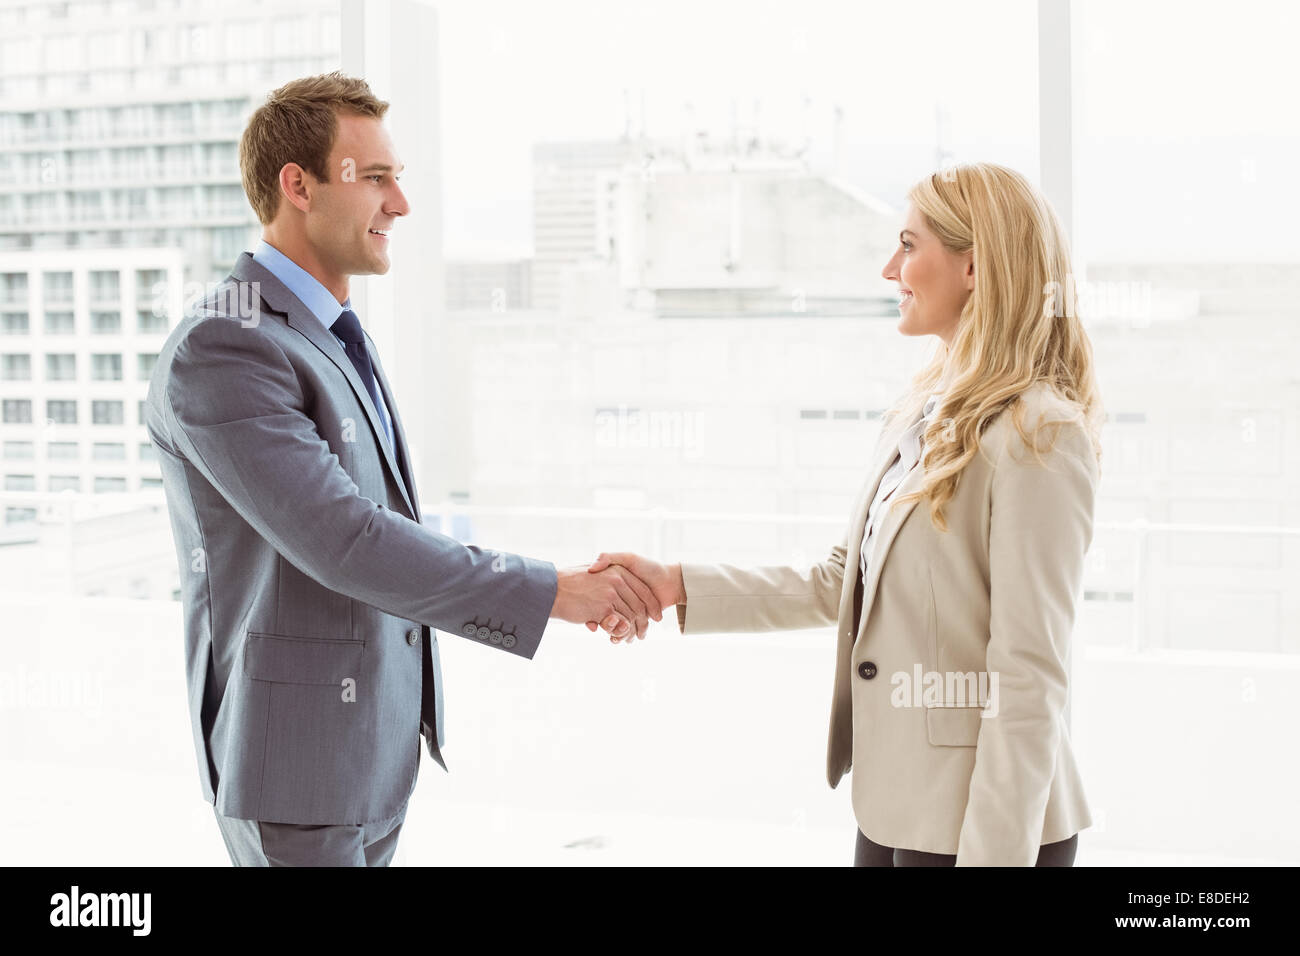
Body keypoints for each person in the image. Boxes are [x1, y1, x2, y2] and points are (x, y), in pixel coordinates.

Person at [145, 72, 660, 867]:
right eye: (376, 178)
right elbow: (346, 539)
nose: (401, 205)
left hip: (373, 755)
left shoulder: (329, 330)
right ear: (299, 186)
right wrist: (555, 591)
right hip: (298, 776)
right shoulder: (226, 344)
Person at [588, 162, 1103, 867]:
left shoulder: (1040, 435)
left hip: (986, 829)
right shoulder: (921, 414)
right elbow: (844, 580)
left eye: (909, 245)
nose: (891, 268)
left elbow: (1029, 673)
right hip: (895, 808)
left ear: (975, 267)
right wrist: (678, 583)